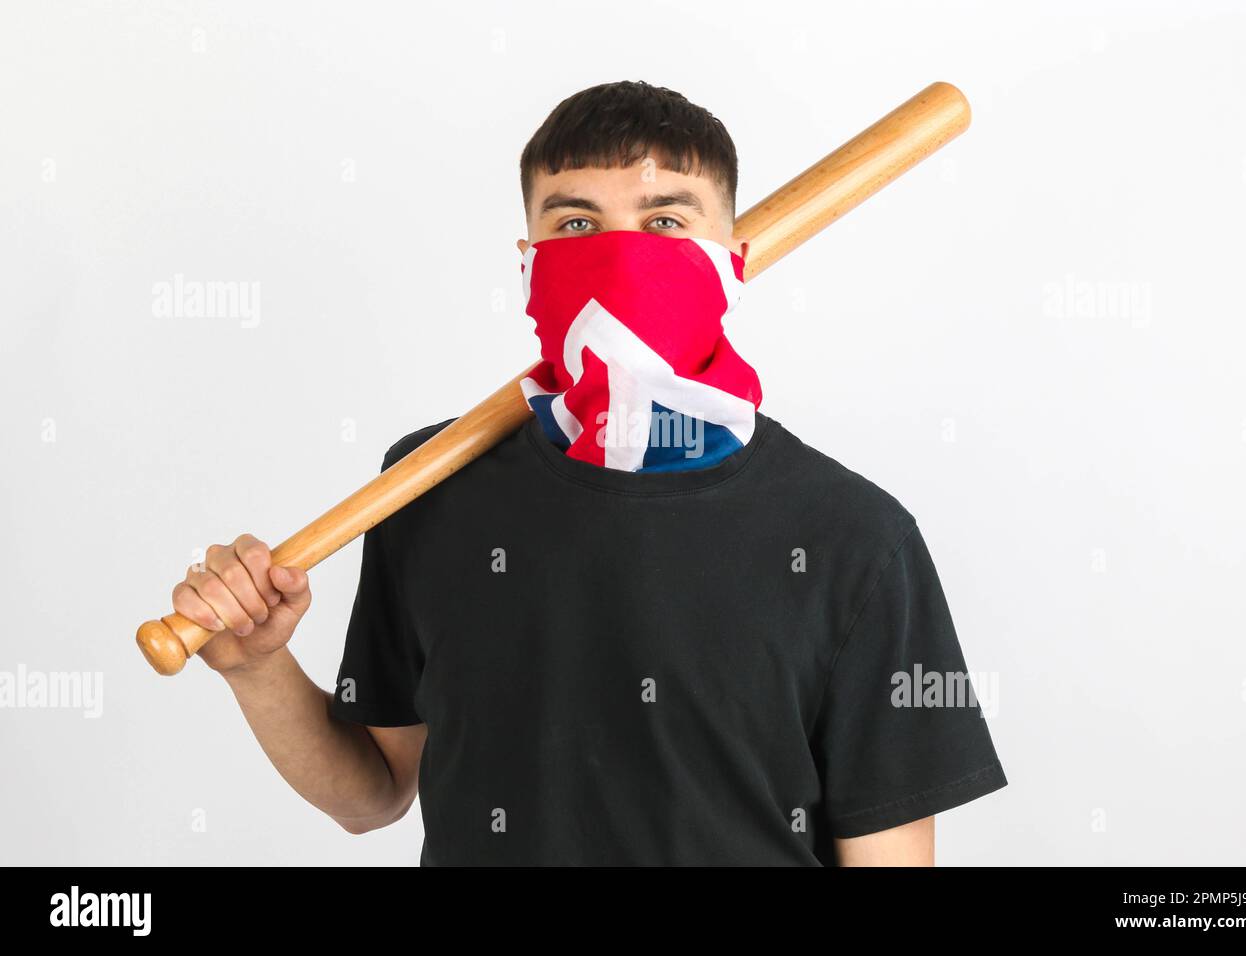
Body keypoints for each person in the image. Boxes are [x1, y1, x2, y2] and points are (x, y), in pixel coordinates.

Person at [170, 80, 1007, 866]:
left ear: (733, 257)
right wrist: (257, 668)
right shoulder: (426, 488)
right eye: (576, 226)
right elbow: (375, 794)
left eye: (666, 224)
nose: (618, 260)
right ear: (528, 255)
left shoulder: (855, 537)